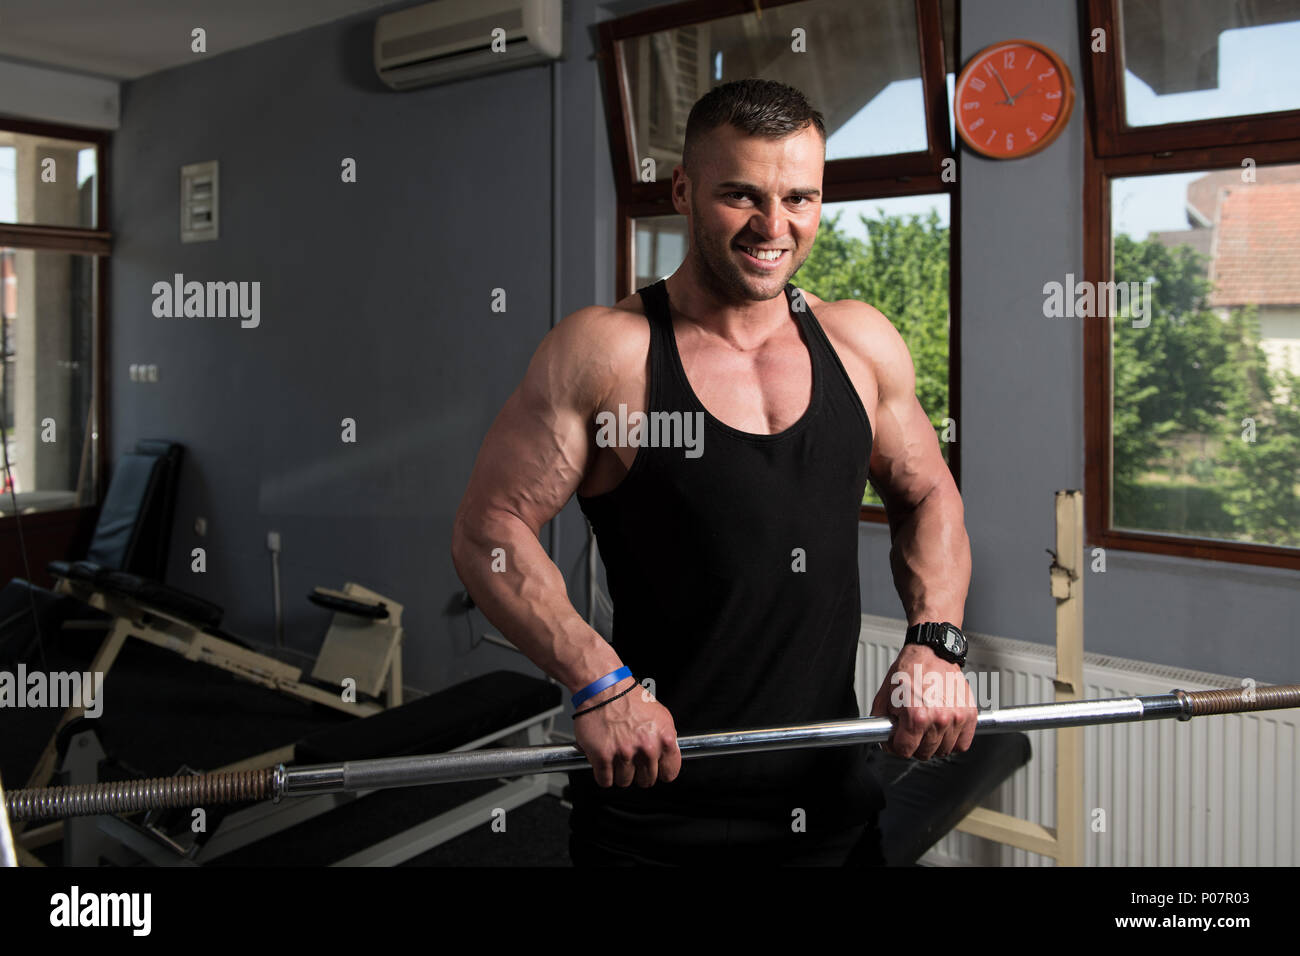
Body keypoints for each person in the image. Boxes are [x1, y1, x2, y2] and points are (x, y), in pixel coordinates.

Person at [452, 78, 975, 866]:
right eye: (742, 195)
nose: (775, 226)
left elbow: (927, 490)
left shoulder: (861, 343)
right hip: (656, 808)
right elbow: (487, 527)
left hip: (830, 801)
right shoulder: (606, 353)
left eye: (801, 197)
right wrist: (600, 681)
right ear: (684, 190)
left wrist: (934, 644)